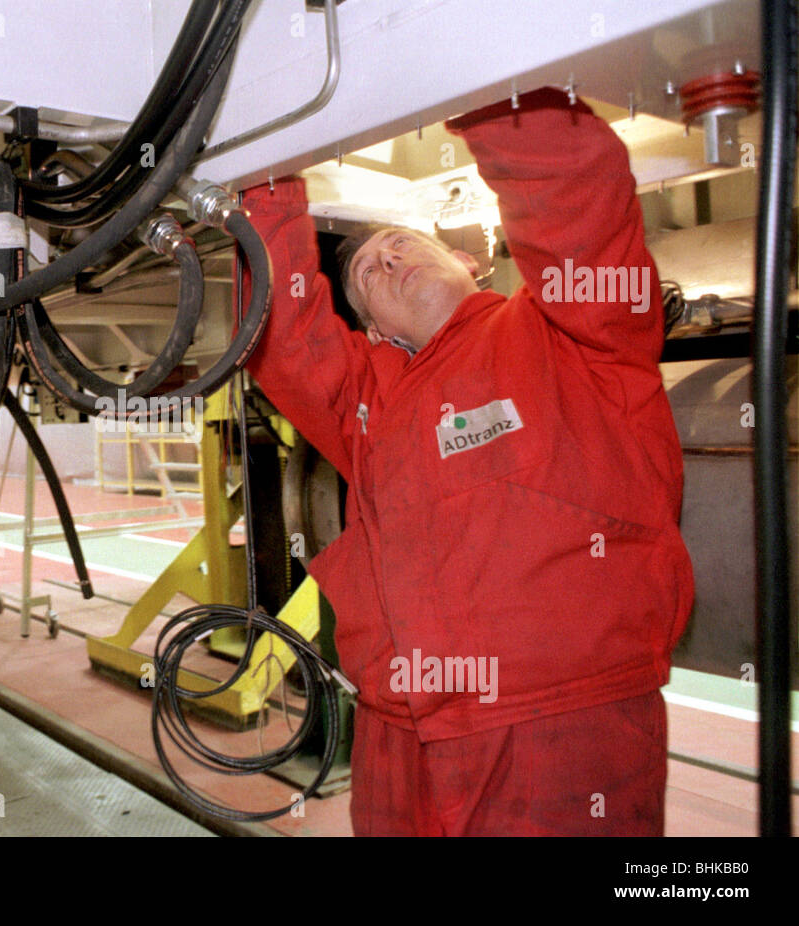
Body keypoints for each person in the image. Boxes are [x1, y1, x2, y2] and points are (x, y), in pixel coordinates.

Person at [241, 87, 694, 836]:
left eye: (402, 244)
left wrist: (484, 83)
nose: (385, 259)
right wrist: (266, 180)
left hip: (563, 727)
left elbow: (576, 199)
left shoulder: (577, 334)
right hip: (397, 731)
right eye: (366, 278)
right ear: (374, 331)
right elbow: (284, 339)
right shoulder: (366, 403)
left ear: (466, 260)